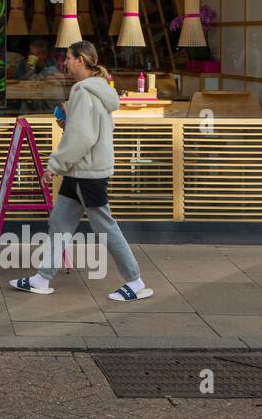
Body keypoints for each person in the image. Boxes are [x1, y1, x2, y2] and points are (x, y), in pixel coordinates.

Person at [8, 39, 153, 302]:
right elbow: (93, 131)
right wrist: (69, 123)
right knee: (60, 224)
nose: (65, 63)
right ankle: (42, 278)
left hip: (87, 174)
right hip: (82, 171)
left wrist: (54, 166)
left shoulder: (83, 92)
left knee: (105, 227)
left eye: (68, 58)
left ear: (81, 61)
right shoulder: (97, 89)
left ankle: (136, 282)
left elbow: (82, 137)